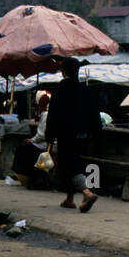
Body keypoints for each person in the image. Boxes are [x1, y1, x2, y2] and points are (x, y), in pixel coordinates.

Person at [45, 58, 101, 212]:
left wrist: (49, 135)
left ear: (63, 71)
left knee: (69, 166)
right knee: (74, 163)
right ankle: (70, 199)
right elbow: (94, 114)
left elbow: (53, 114)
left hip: (65, 134)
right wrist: (95, 132)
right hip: (83, 135)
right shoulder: (86, 90)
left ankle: (87, 193)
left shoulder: (60, 89)